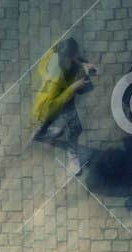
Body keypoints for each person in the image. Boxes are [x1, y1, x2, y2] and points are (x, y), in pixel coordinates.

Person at [31, 38, 98, 174]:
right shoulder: (54, 80)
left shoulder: (56, 50)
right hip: (54, 102)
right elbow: (54, 105)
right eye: (75, 55)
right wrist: (72, 88)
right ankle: (72, 154)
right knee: (75, 129)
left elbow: (65, 54)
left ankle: (41, 132)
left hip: (54, 96)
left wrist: (82, 64)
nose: (78, 55)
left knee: (47, 120)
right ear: (67, 58)